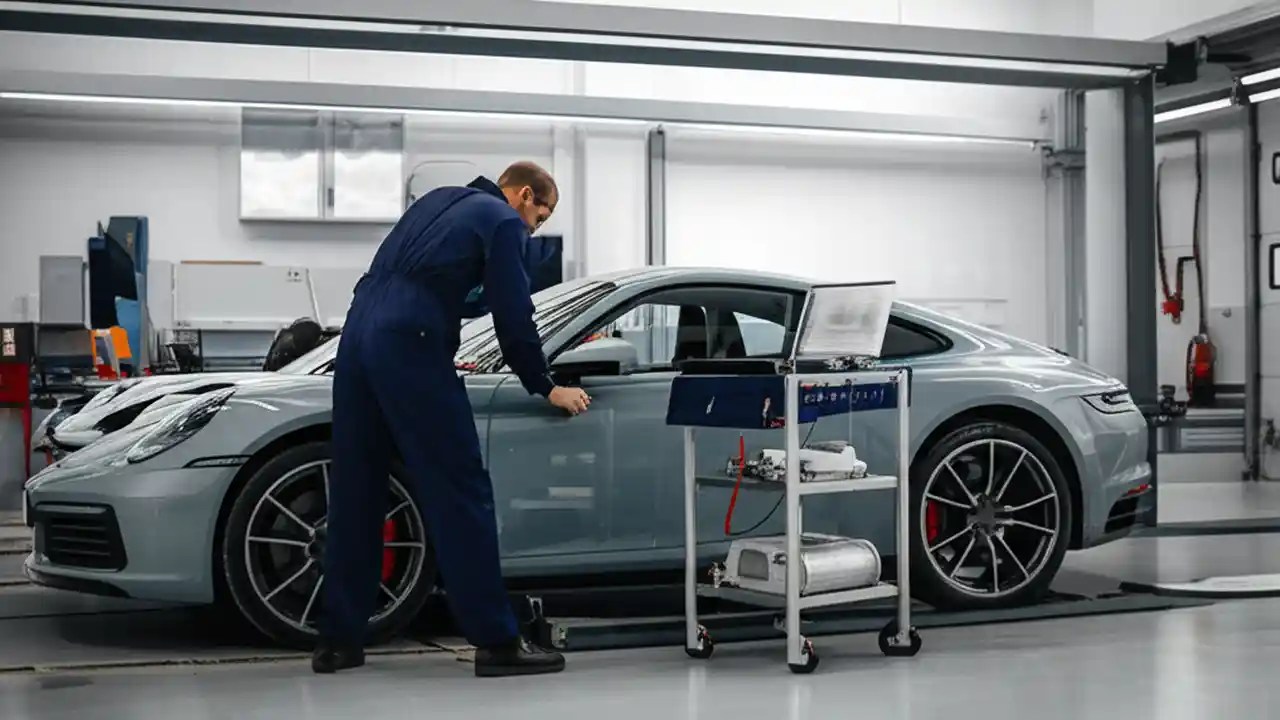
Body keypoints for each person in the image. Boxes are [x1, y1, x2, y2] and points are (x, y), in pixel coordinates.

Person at [314, 161, 591, 678]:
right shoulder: (503, 221)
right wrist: (545, 384)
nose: (533, 230)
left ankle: (338, 641)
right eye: (539, 217)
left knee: (357, 490)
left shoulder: (438, 200)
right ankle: (497, 640)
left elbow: (433, 280)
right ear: (524, 194)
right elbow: (514, 313)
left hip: (356, 338)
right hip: (411, 342)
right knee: (460, 488)